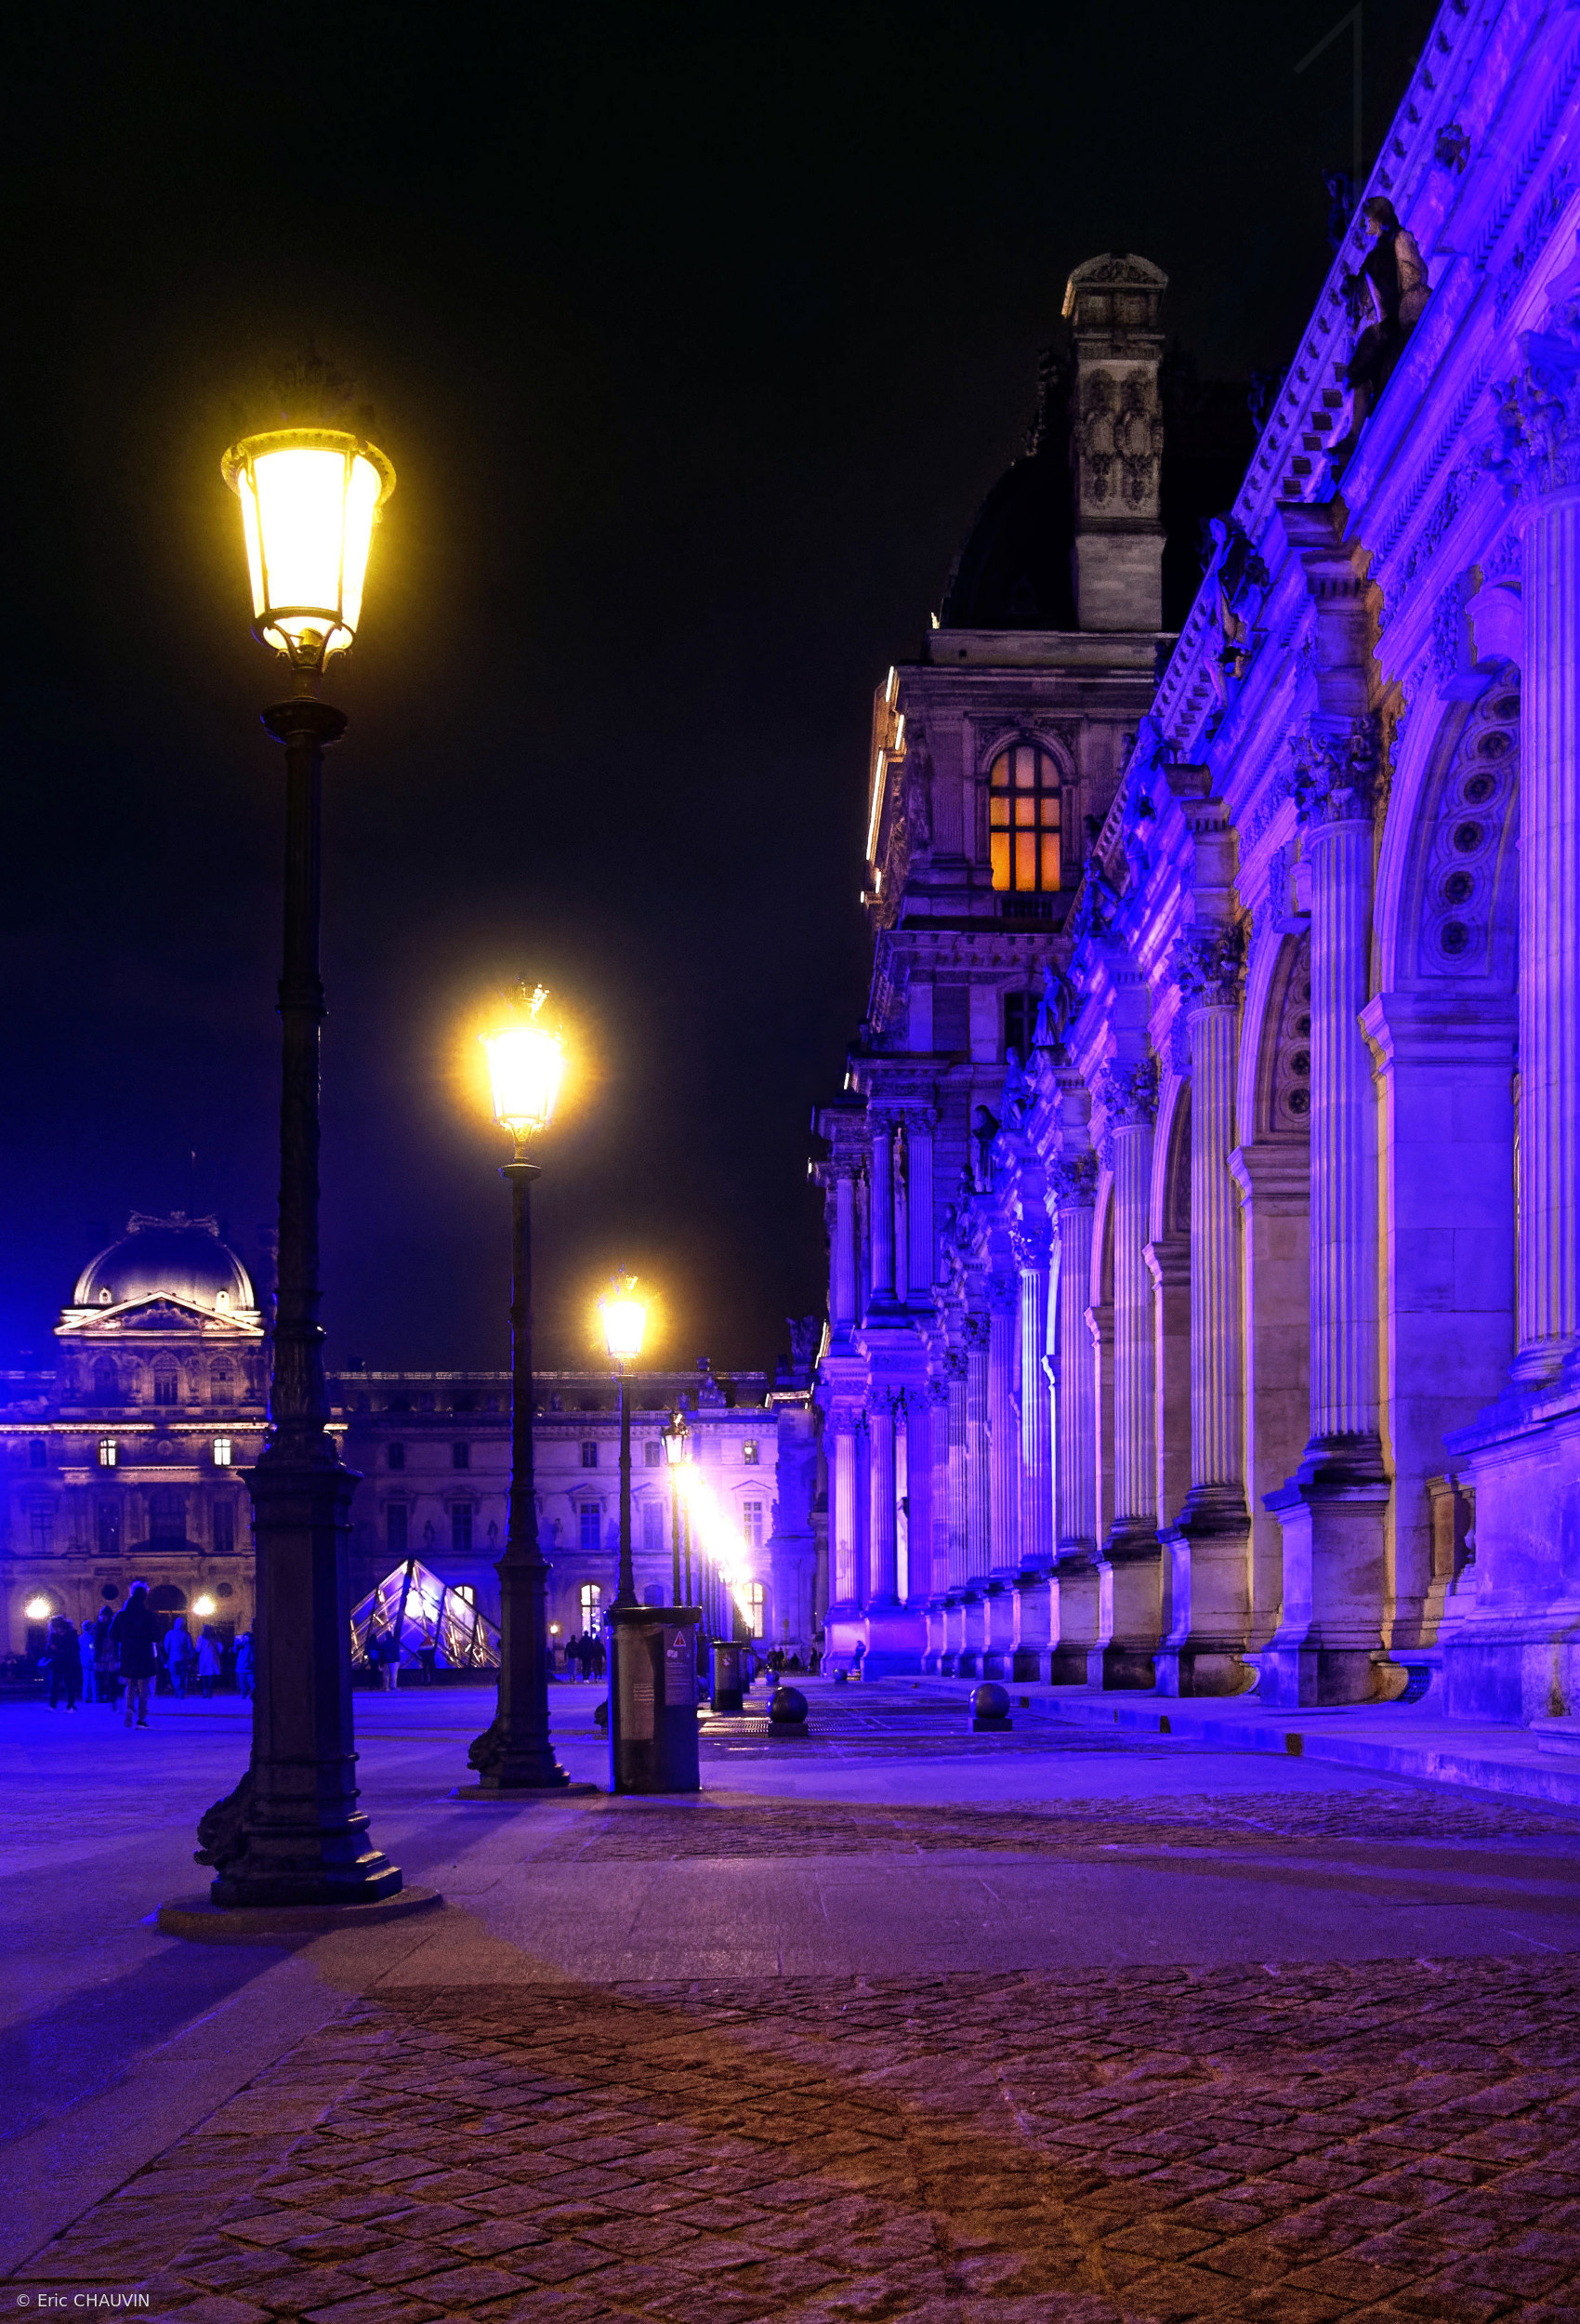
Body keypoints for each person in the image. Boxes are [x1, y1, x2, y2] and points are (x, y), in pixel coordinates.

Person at [1328, 196, 1430, 465]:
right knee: (1359, 368)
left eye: (1367, 219)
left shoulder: (1398, 239)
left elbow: (1413, 275)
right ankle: (1353, 433)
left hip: (1401, 313)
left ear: (1378, 216)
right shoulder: (1377, 253)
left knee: (1363, 361)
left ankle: (1354, 433)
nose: (1364, 225)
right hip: (1389, 318)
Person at [110, 1581, 159, 1729]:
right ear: (144, 1597)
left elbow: (112, 1633)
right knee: (143, 1687)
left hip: (128, 1653)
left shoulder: (122, 1615)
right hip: (144, 1653)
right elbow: (156, 1635)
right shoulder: (148, 1615)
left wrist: (124, 1640)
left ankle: (129, 1708)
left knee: (130, 1684)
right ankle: (141, 1719)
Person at [45, 1615, 81, 1710]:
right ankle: (53, 1704)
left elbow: (74, 1648)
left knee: (68, 1683)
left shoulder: (71, 1634)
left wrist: (58, 1649)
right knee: (55, 1684)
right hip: (57, 1662)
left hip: (68, 1662)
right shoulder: (53, 1635)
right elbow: (49, 1648)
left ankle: (71, 1704)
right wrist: (51, 1649)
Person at [164, 1618, 196, 1699]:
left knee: (174, 1675)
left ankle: (177, 1689)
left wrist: (169, 1654)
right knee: (183, 1674)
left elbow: (166, 1646)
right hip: (184, 1657)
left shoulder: (170, 1633)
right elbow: (190, 1646)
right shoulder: (186, 1634)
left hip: (173, 1658)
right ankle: (182, 1690)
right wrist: (191, 1655)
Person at [93, 1610, 119, 1707]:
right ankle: (100, 1695)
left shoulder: (112, 1626)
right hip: (101, 1656)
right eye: (101, 1616)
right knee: (100, 1677)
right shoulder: (97, 1627)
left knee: (112, 1677)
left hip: (111, 1655)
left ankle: (112, 1696)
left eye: (105, 1616)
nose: (103, 1618)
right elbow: (96, 1644)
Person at [196, 1626, 223, 1699]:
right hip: (212, 1657)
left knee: (204, 1675)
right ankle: (210, 1692)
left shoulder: (201, 1637)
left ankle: (205, 1691)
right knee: (211, 1675)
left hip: (204, 1658)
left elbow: (197, 1649)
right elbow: (220, 1648)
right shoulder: (215, 1638)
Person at [78, 1618, 99, 1704]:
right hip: (90, 1661)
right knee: (94, 1679)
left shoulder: (81, 1637)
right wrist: (93, 1659)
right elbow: (91, 1649)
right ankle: (95, 1697)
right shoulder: (91, 1638)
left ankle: (86, 1696)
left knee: (86, 1680)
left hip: (84, 1661)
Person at [375, 1625, 402, 1693]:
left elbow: (381, 1653)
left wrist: (381, 1662)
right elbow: (396, 1652)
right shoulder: (395, 1643)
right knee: (394, 1675)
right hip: (394, 1661)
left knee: (386, 1675)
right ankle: (393, 1687)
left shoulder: (384, 1644)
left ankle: (386, 1687)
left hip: (386, 1661)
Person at [235, 1629, 255, 1697]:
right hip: (242, 1665)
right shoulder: (240, 1645)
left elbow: (250, 1655)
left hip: (249, 1665)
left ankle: (253, 1693)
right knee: (242, 1681)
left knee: (251, 1680)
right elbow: (235, 1650)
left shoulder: (251, 1645)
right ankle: (244, 1693)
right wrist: (238, 1643)